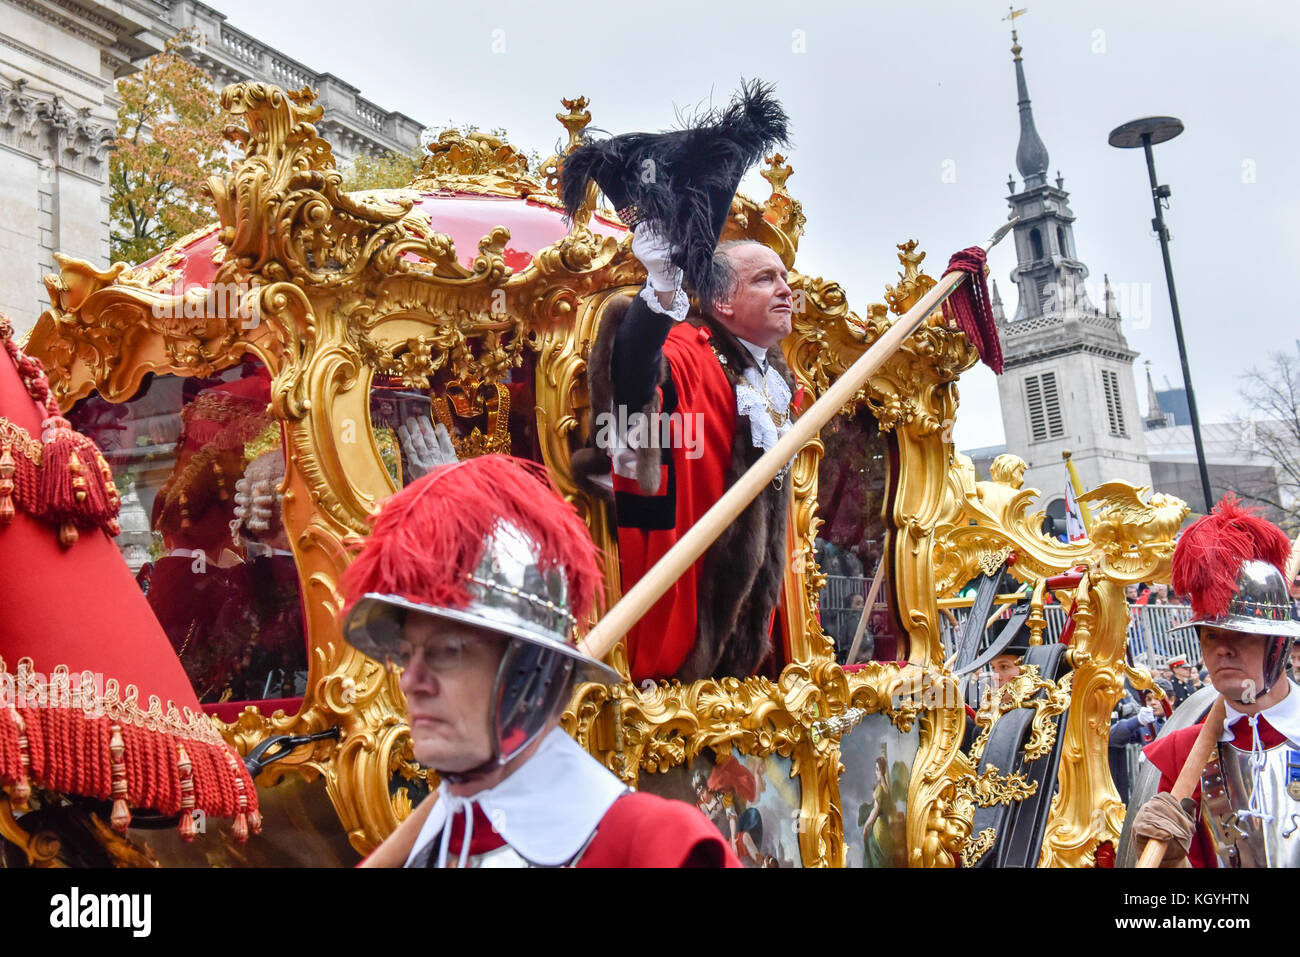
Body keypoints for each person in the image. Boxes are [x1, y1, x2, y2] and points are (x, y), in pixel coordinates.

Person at [341, 454, 738, 868]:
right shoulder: (432, 847)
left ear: (530, 671)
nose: (411, 682)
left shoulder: (658, 849)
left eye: (448, 651)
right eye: (406, 656)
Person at [1129, 495, 1300, 868]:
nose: (1222, 649)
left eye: (1240, 634)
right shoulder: (1181, 754)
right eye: (1210, 636)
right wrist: (1173, 864)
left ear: (1279, 644)